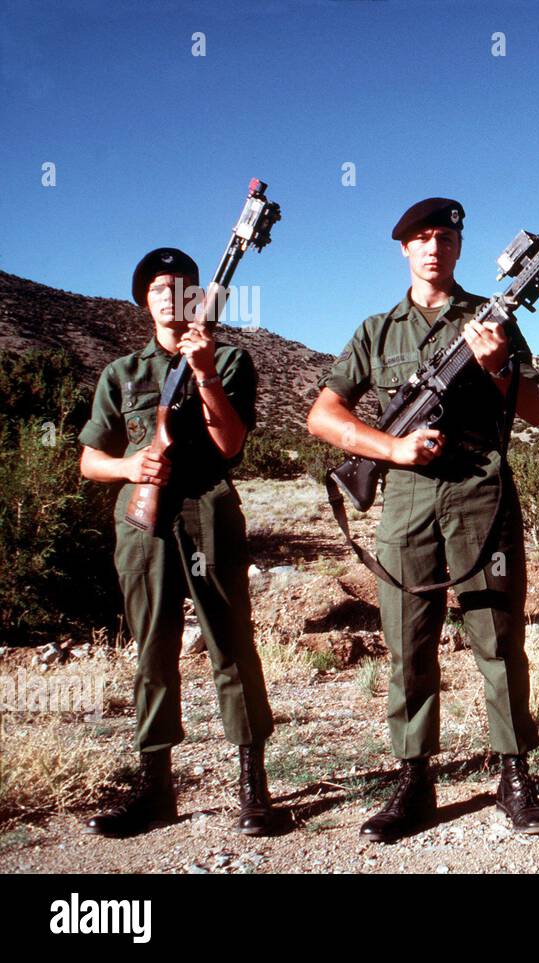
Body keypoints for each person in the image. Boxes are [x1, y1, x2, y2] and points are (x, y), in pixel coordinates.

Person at [307, 197, 539, 843]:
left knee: (497, 637)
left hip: (478, 488)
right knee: (408, 641)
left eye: (443, 236)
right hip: (408, 496)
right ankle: (413, 779)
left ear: (457, 247)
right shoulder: (376, 330)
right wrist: (390, 449)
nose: (432, 247)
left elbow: (535, 409)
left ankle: (515, 776)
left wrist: (497, 363)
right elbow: (324, 416)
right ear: (404, 250)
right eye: (420, 238)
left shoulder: (489, 319)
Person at [79, 247, 276, 837]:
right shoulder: (121, 373)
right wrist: (131, 466)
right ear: (145, 300)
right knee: (153, 649)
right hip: (143, 521)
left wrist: (206, 372)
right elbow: (91, 460)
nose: (170, 293)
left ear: (198, 298)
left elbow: (231, 444)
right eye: (159, 286)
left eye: (183, 286)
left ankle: (253, 787)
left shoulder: (231, 359)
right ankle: (154, 788)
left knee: (231, 646)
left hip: (207, 511)